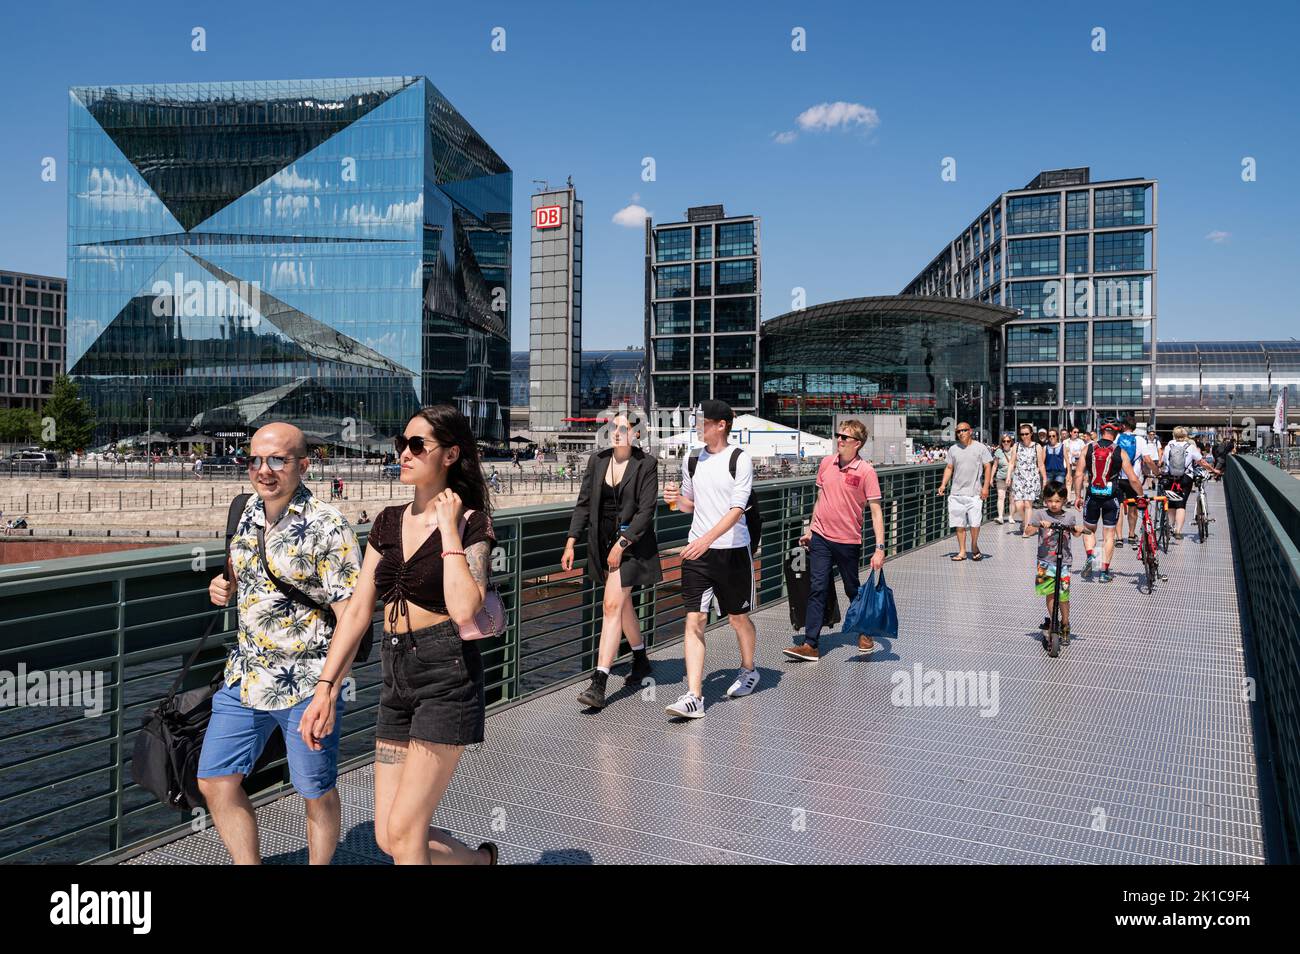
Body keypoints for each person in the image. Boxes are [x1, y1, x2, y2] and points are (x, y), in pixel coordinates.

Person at [300, 405, 498, 865]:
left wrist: (448, 529)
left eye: (416, 445)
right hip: (395, 678)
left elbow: (465, 606)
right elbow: (356, 614)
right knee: (391, 838)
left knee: (407, 835)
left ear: (450, 455)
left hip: (446, 676)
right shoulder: (388, 522)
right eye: (400, 444)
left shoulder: (472, 524)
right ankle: (481, 862)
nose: (404, 454)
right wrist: (326, 688)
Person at [198, 422, 361, 865]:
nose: (263, 470)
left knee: (314, 790)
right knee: (215, 780)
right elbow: (245, 575)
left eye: (277, 460)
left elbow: (353, 616)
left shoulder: (329, 526)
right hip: (245, 675)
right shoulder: (244, 511)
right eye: (255, 459)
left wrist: (329, 690)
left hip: (308, 682)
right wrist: (223, 586)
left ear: (304, 465)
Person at [661, 399, 759, 720]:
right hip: (698, 553)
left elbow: (736, 510)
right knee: (695, 621)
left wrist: (707, 539)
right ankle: (695, 696)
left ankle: (748, 669)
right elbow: (691, 505)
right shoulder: (692, 459)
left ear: (721, 425)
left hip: (732, 552)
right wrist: (675, 501)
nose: (699, 427)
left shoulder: (739, 459)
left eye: (705, 422)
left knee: (737, 619)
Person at [563, 413, 662, 708]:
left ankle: (599, 682)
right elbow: (583, 504)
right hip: (600, 543)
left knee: (610, 606)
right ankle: (641, 658)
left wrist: (622, 543)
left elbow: (646, 511)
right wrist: (571, 542)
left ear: (637, 434)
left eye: (623, 428)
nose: (616, 432)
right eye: (612, 427)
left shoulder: (646, 464)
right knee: (622, 604)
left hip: (631, 546)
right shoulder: (598, 460)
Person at [784, 419, 886, 661]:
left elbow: (875, 510)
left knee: (852, 589)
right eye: (838, 435)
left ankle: (864, 632)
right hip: (820, 537)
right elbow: (820, 497)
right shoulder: (826, 463)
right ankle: (811, 645)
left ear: (857, 444)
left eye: (845, 437)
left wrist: (879, 548)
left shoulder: (866, 471)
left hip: (848, 540)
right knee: (817, 588)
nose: (839, 440)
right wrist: (810, 529)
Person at [1073, 419, 1145, 583]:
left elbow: (1078, 474)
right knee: (1109, 535)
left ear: (1101, 430)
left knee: (1089, 530)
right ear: (1117, 432)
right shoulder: (1120, 452)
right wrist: (1140, 496)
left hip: (1092, 496)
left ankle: (1092, 557)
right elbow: (1133, 479)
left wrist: (1077, 496)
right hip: (1111, 497)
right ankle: (1104, 572)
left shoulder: (1088, 448)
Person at [1027, 481, 1084, 644]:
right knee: (1050, 593)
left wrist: (1078, 529)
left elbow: (1076, 533)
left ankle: (1065, 623)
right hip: (1045, 561)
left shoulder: (1069, 516)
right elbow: (1028, 530)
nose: (1053, 504)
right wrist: (1039, 526)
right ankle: (1054, 622)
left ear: (1064, 501)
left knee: (1063, 596)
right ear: (1045, 500)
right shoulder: (1040, 514)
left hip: (1063, 562)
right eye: (1050, 501)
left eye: (1057, 501)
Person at [936, 421, 993, 560]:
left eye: (964, 430)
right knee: (959, 524)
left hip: (975, 493)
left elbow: (988, 467)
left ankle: (974, 545)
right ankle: (962, 551)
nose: (961, 433)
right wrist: (943, 485)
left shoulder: (981, 448)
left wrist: (985, 487)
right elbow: (949, 468)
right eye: (958, 431)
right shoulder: (953, 449)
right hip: (956, 492)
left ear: (970, 431)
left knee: (975, 523)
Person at [1160, 426, 1222, 538]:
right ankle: (1178, 531)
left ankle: (1170, 527)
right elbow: (1201, 462)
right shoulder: (1190, 447)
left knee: (1171, 503)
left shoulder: (1169, 445)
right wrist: (1213, 470)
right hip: (1185, 478)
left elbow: (1164, 461)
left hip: (1170, 477)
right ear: (1185, 436)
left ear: (1174, 435)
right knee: (1181, 505)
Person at [1115, 417, 1156, 548]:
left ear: (1123, 426)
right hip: (1133, 480)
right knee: (1133, 508)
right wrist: (1157, 472)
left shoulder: (1117, 439)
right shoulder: (1140, 440)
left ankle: (1119, 538)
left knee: (1119, 508)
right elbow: (1148, 460)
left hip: (1118, 478)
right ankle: (1131, 535)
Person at [1007, 424, 1047, 537]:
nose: (1024, 436)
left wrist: (1044, 479)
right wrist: (1009, 476)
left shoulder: (1037, 446)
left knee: (1028, 504)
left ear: (1031, 434)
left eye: (1026, 434)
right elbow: (1011, 462)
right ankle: (1026, 522)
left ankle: (1026, 529)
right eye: (1022, 434)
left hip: (1032, 478)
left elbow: (1040, 464)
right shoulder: (1016, 446)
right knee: (1019, 505)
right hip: (1019, 478)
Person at [992, 434, 1014, 523]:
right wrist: (991, 478)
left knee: (1012, 498)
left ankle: (1011, 516)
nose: (1006, 443)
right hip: (1001, 477)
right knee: (1001, 497)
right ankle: (1000, 517)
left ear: (1011, 442)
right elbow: (994, 465)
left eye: (1008, 441)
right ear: (1001, 442)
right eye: (1004, 441)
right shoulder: (998, 452)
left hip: (1013, 477)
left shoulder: (1014, 451)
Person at [1064, 426, 1086, 503]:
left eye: (1077, 432)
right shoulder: (1066, 442)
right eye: (1074, 432)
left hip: (1078, 464)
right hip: (1069, 463)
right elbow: (1064, 453)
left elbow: (1084, 452)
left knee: (1078, 481)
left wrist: (1078, 454)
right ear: (1070, 433)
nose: (1076, 434)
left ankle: (1078, 498)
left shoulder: (1081, 442)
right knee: (1068, 480)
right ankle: (1068, 499)